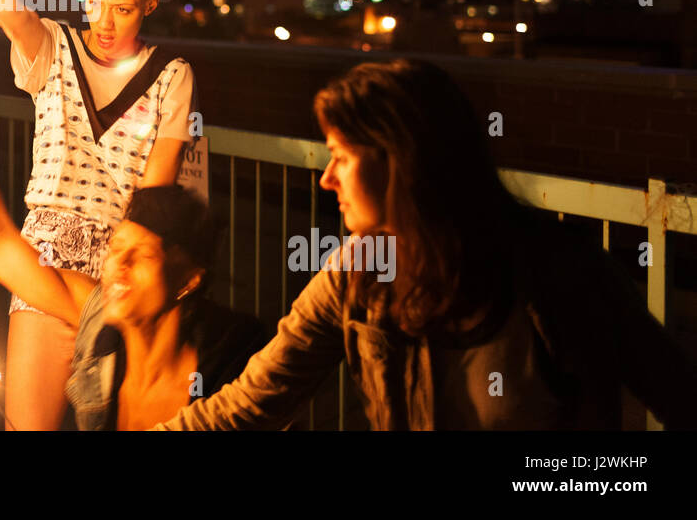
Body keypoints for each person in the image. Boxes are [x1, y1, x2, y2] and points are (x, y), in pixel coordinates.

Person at [154, 59, 697, 430]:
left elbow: (676, 394)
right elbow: (247, 406)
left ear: (399, 159)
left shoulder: (560, 272)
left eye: (341, 155)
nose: (326, 178)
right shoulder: (356, 275)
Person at [0, 21, 266, 430]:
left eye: (143, 253)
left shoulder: (232, 369)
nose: (117, 268)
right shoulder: (103, 320)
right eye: (116, 249)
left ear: (189, 279)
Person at [0, 0, 198, 429]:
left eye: (123, 9)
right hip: (46, 260)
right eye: (96, 3)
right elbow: (18, 17)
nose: (104, 21)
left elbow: (155, 197)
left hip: (119, 269)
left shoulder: (172, 76)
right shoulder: (55, 48)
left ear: (149, 7)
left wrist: (132, 277)